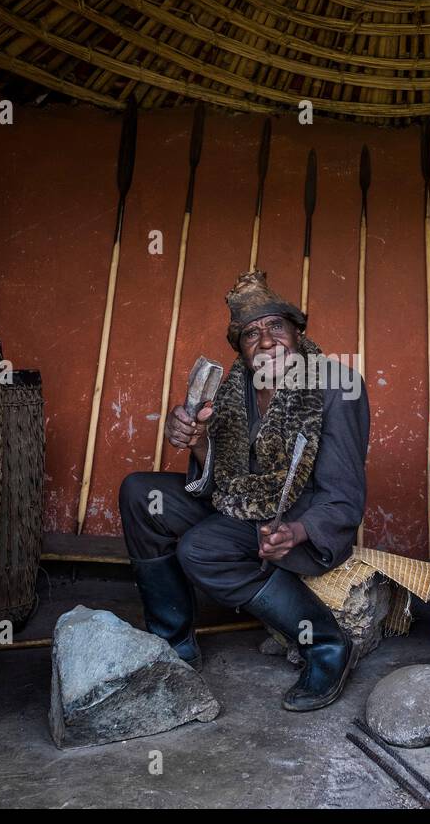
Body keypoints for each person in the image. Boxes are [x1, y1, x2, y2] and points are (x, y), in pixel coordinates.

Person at [118, 271, 370, 711]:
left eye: (276, 327)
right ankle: (172, 644)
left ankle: (327, 644)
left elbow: (344, 495)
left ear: (297, 331)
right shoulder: (234, 390)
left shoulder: (334, 386)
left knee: (200, 548)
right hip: (238, 505)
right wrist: (198, 440)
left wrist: (297, 531)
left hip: (299, 520)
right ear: (240, 349)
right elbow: (221, 480)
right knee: (140, 493)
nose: (267, 341)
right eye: (251, 334)